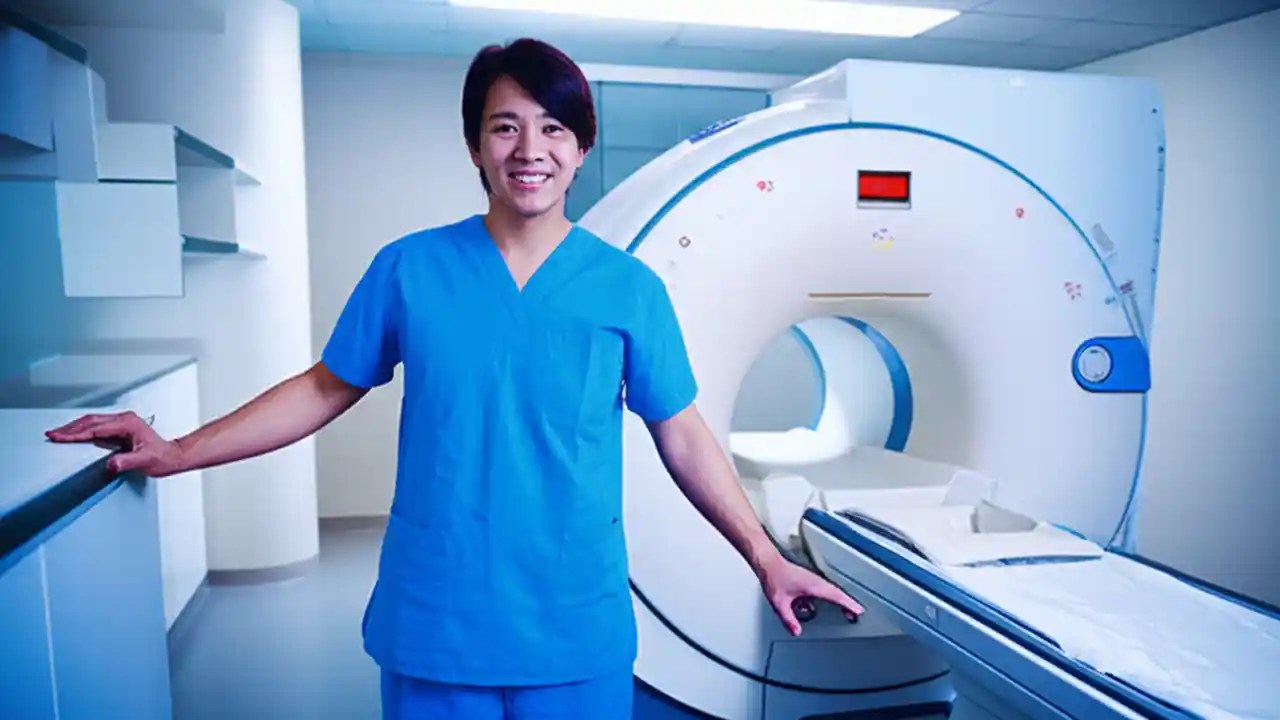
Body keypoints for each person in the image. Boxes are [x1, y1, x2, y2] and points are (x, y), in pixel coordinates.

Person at [45, 38, 863, 720]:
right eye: (505, 127)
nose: (529, 150)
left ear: (580, 146)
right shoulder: (409, 269)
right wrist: (180, 451)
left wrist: (764, 556)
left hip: (572, 625)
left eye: (552, 128)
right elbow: (325, 388)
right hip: (436, 618)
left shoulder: (628, 290)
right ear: (474, 145)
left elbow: (681, 432)